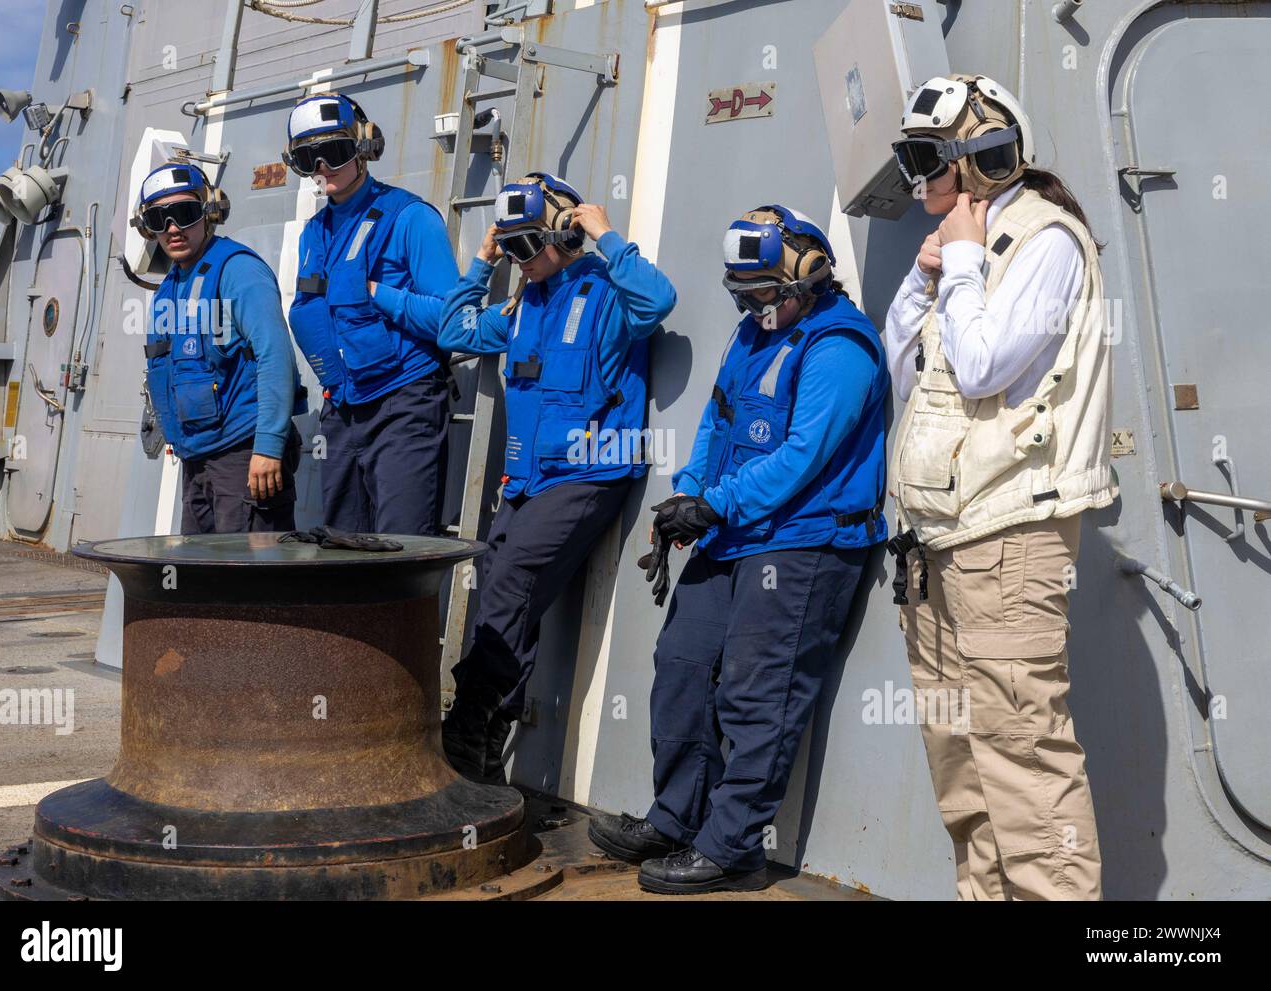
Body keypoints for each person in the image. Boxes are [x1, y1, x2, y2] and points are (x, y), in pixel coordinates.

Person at [589, 205, 890, 895]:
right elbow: (715, 422)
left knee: (760, 692)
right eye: (742, 296)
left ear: (808, 275)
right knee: (683, 664)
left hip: (804, 541)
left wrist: (715, 504)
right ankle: (677, 817)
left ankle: (732, 848)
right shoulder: (752, 334)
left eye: (765, 295)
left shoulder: (840, 345)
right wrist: (685, 495)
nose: (755, 309)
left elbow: (803, 456)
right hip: (732, 531)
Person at [884, 74, 1115, 900]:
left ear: (979, 159)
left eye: (926, 161)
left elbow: (983, 365)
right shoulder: (962, 252)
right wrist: (925, 276)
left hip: (1007, 542)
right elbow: (909, 371)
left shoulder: (1046, 242)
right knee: (963, 769)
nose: (917, 183)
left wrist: (968, 263)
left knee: (1023, 758)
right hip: (939, 539)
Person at [437, 172, 676, 783]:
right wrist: (480, 264)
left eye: (527, 247)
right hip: (524, 481)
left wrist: (604, 235)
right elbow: (453, 333)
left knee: (512, 579)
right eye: (510, 249)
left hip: (589, 475)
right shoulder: (522, 306)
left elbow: (658, 301)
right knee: (497, 585)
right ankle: (487, 743)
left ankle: (469, 722)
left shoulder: (605, 292)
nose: (520, 262)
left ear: (562, 233)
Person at [285, 93, 459, 534]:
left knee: (401, 547)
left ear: (364, 147)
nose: (323, 166)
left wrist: (379, 293)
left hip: (403, 405)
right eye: (309, 157)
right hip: (342, 408)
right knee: (343, 550)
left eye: (335, 151)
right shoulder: (315, 232)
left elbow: (451, 319)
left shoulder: (412, 218)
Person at [133, 161, 304, 534]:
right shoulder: (171, 286)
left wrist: (269, 447)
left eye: (184, 213)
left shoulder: (238, 271)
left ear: (209, 211)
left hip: (244, 457)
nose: (173, 228)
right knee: (203, 582)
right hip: (197, 460)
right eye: (159, 218)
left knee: (251, 581)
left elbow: (275, 356)